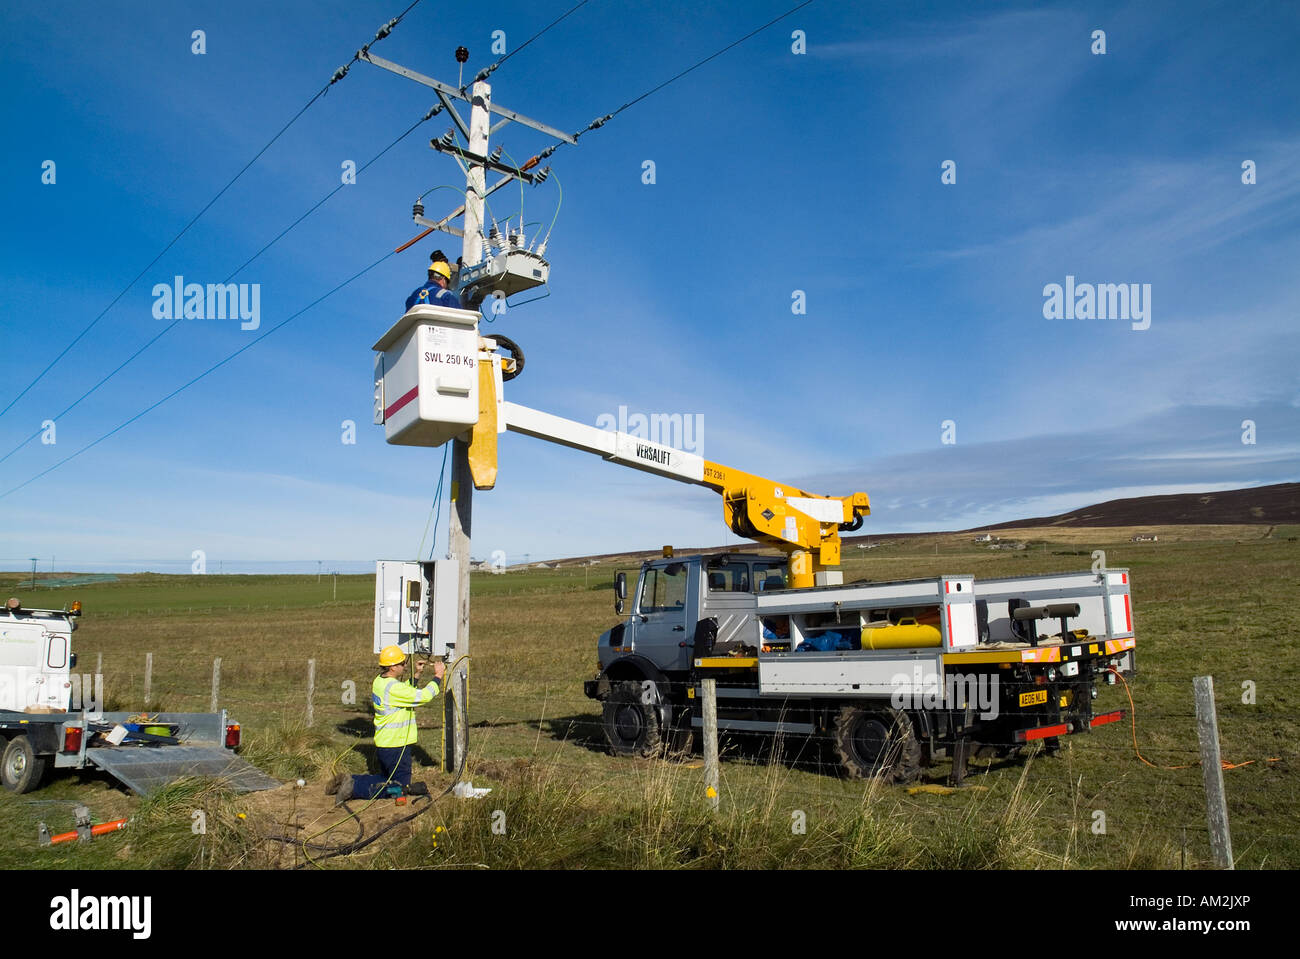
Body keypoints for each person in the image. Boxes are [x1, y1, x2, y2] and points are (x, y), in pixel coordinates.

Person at [327, 646, 445, 803]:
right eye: (402, 663)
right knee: (399, 786)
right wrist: (438, 676)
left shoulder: (380, 681)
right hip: (396, 745)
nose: (405, 665)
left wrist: (417, 675)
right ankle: (354, 788)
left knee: (385, 778)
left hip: (385, 743)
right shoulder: (393, 688)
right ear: (393, 667)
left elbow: (403, 691)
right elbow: (424, 696)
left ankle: (351, 779)